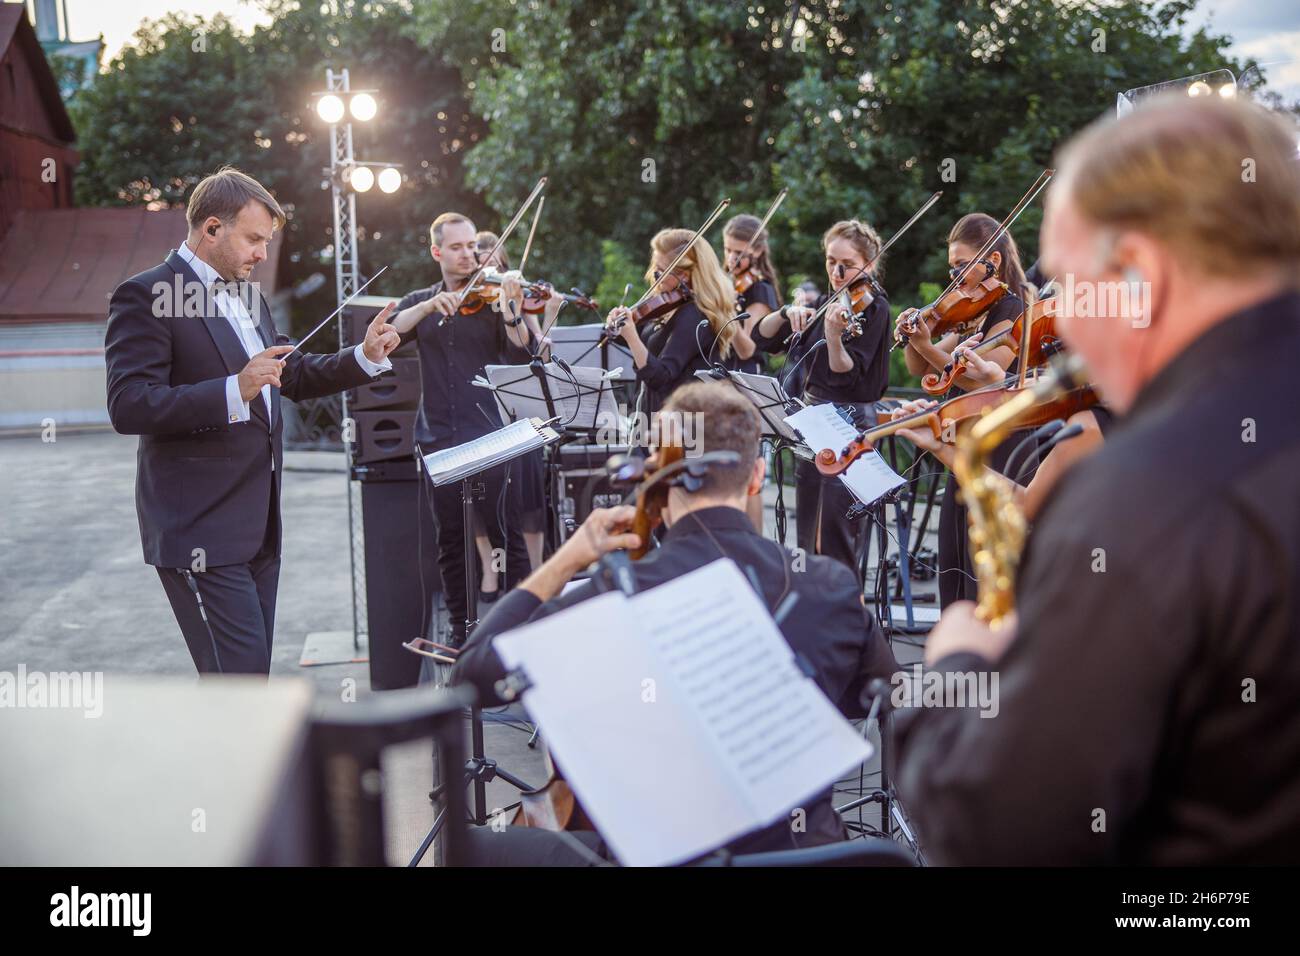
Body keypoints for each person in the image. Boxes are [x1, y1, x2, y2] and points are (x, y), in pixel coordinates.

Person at [894, 94, 1300, 864]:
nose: (1059, 325)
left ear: (1138, 274)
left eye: (1071, 288)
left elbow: (991, 827)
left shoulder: (1143, 496)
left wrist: (955, 662)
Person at [453, 380, 899, 864]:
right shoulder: (828, 583)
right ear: (757, 477)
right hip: (810, 856)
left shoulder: (614, 590)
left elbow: (473, 674)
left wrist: (567, 559)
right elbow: (881, 696)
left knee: (481, 847)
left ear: (658, 478)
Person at [104, 166, 400, 675]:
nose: (263, 253)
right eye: (254, 239)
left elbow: (290, 374)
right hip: (198, 530)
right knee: (238, 684)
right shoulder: (147, 294)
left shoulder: (248, 296)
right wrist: (232, 388)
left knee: (245, 679)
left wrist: (364, 357)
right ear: (212, 228)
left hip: (258, 527)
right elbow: (129, 403)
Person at [388, 213, 534, 645]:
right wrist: (429, 306)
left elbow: (522, 353)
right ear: (436, 252)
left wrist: (511, 312)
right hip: (439, 437)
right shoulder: (424, 300)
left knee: (506, 536)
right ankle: (459, 630)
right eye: (457, 247)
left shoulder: (492, 298)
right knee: (450, 538)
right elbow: (390, 333)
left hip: (490, 435)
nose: (468, 254)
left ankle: (515, 630)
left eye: (472, 246)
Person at [895, 213, 1034, 607]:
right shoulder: (974, 310)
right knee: (955, 561)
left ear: (992, 260)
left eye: (963, 264)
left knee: (983, 569)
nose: (955, 275)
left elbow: (989, 381)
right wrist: (916, 337)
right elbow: (919, 368)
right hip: (968, 446)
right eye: (951, 265)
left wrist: (926, 345)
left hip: (1003, 447)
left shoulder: (1014, 307)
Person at [752, 220, 891, 574]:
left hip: (849, 425)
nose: (837, 270)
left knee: (835, 538)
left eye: (846, 263)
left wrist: (833, 338)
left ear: (869, 264)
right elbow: (763, 339)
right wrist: (786, 313)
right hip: (813, 422)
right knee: (807, 536)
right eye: (831, 261)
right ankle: (814, 614)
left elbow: (847, 373)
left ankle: (843, 619)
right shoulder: (830, 301)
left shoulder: (874, 308)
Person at [604, 229, 739, 422]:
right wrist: (619, 329)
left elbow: (661, 376)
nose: (654, 275)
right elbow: (645, 346)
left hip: (681, 428)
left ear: (683, 276)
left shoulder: (694, 315)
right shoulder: (667, 307)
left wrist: (631, 335)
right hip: (652, 418)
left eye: (660, 271)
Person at [722, 213, 783, 533]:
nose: (732, 259)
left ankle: (753, 547)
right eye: (728, 251)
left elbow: (747, 347)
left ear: (757, 251)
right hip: (721, 381)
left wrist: (727, 310)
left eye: (739, 252)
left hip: (746, 380)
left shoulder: (760, 291)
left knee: (749, 471)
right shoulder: (726, 283)